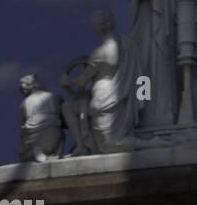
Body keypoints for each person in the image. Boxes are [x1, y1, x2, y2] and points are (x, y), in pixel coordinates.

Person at [104, 0, 178, 129]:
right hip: (153, 22)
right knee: (149, 69)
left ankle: (145, 110)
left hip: (150, 24)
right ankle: (149, 108)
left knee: (143, 68)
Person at [60, 9, 140, 154]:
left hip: (103, 97)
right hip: (122, 97)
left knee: (109, 145)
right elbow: (142, 75)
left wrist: (67, 81)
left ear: (96, 27)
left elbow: (80, 82)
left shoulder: (100, 53)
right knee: (110, 143)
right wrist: (143, 99)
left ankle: (81, 146)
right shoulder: (129, 45)